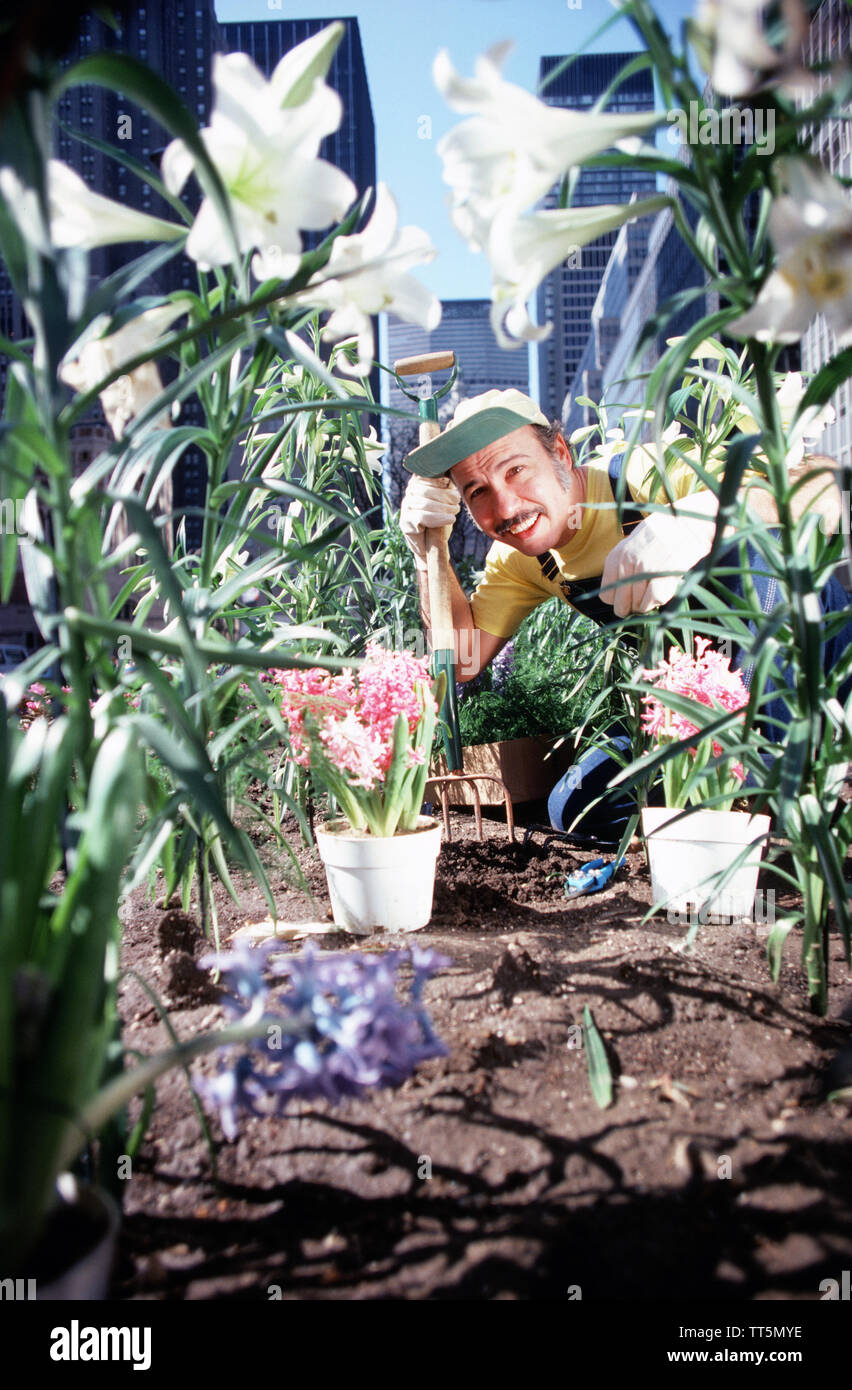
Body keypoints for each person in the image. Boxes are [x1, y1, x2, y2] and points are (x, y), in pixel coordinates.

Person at [399, 389, 848, 839]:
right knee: (575, 807)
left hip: (819, 666)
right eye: (477, 492)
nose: (507, 507)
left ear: (559, 452)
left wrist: (702, 515)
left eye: (515, 470)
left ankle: (779, 783)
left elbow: (823, 491)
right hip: (698, 712)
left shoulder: (645, 473)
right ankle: (735, 802)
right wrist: (427, 553)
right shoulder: (521, 559)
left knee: (756, 547)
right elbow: (461, 661)